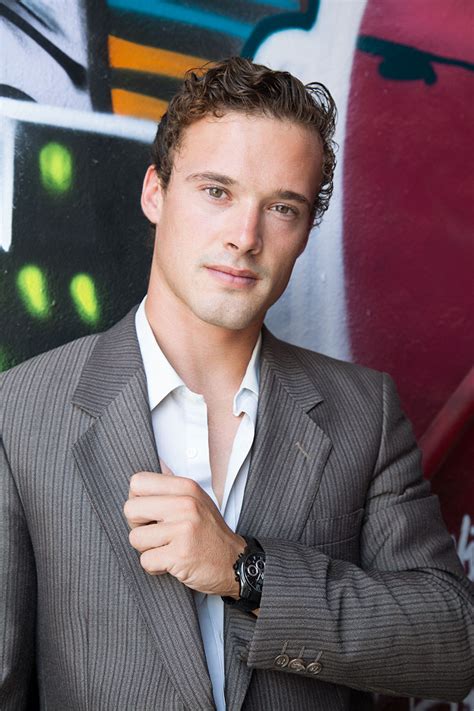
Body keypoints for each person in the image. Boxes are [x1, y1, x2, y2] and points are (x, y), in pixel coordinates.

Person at [0, 57, 472, 711]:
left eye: (281, 207)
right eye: (217, 191)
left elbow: (452, 644)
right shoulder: (21, 412)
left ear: (304, 232)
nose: (244, 237)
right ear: (155, 192)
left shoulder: (365, 411)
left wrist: (245, 570)